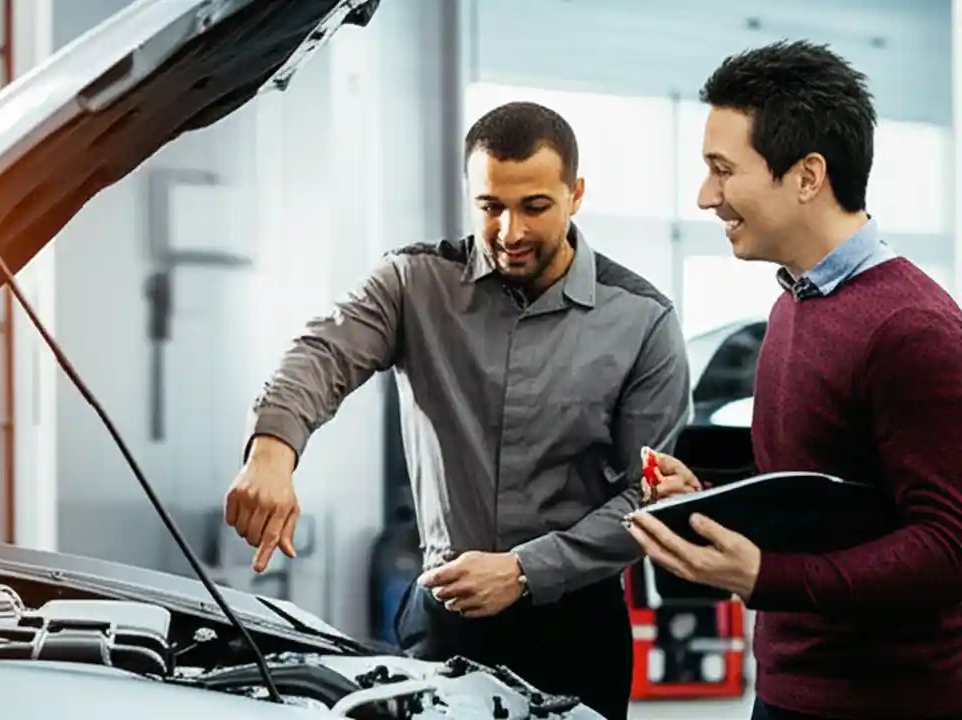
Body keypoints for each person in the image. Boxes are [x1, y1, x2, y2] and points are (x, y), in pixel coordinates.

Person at [223, 100, 691, 720]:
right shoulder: (413, 282)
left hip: (577, 628)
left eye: (534, 207)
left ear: (575, 194)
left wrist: (525, 570)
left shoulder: (643, 321)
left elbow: (647, 497)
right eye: (490, 206)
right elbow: (321, 353)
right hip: (445, 616)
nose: (510, 232)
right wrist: (272, 451)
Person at [625, 40, 962, 720]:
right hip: (787, 691)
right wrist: (716, 498)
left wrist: (764, 577)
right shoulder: (793, 306)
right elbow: (825, 492)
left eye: (723, 169)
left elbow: (949, 546)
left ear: (808, 176)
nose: (705, 195)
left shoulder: (914, 328)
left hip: (889, 707)